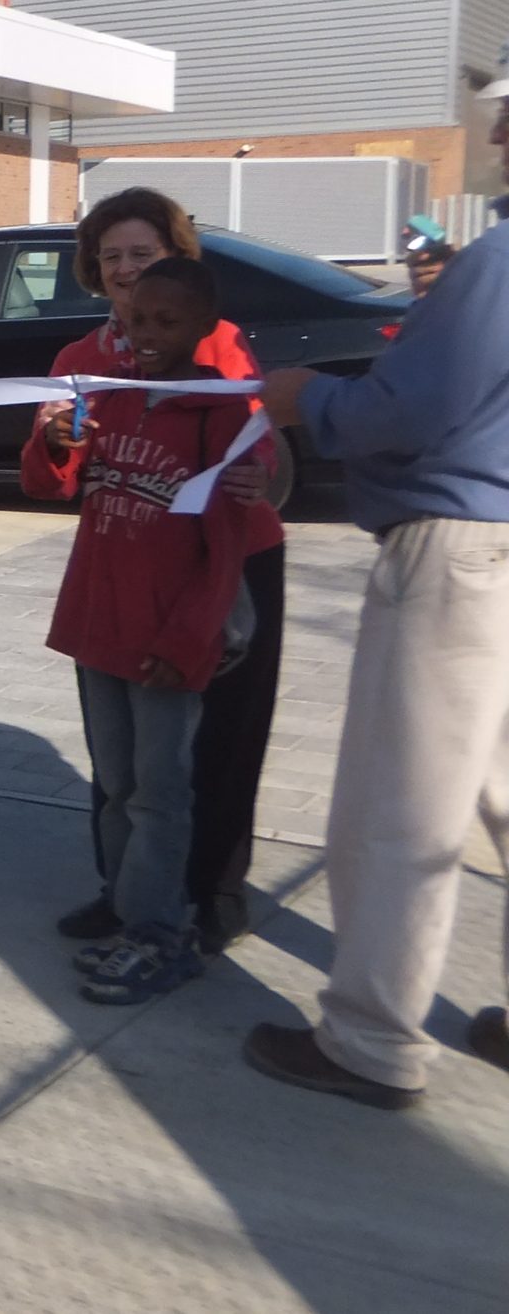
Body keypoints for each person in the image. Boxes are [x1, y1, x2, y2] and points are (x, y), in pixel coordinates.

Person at [241, 81, 509, 1107]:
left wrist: (310, 399)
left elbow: (414, 409)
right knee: (492, 791)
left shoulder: (494, 262)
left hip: (455, 553)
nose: (490, 128)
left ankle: (369, 1041)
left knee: (402, 803)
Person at [38, 187, 287, 956]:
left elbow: (258, 452)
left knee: (210, 749)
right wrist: (53, 440)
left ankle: (208, 895)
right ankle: (127, 897)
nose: (123, 268)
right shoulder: (81, 362)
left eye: (140, 253)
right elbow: (55, 481)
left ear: (172, 257)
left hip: (225, 562)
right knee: (124, 765)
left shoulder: (213, 348)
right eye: (111, 256)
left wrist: (254, 470)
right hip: (121, 572)